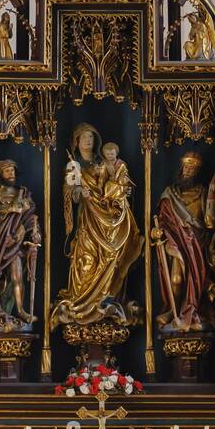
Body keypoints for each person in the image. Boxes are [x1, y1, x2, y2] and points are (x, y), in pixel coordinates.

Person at [50, 124, 142, 329]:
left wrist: (122, 192)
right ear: (77, 142)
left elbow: (118, 184)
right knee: (86, 260)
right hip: (87, 220)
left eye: (91, 137)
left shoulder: (105, 162)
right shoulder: (74, 165)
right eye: (84, 137)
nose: (88, 140)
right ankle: (81, 301)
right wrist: (77, 193)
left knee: (111, 255)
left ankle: (106, 298)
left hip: (106, 218)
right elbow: (68, 193)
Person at [154, 152, 215, 331]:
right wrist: (156, 230)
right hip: (175, 240)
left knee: (194, 280)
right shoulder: (170, 194)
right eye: (187, 167)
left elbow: (209, 222)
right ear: (181, 168)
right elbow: (161, 219)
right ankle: (171, 310)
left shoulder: (203, 193)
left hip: (196, 244)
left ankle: (191, 310)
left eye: (193, 168)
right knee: (175, 279)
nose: (189, 171)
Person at [0, 159, 40, 326]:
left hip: (14, 242)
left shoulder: (23, 194)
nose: (11, 173)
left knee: (17, 276)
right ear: (0, 174)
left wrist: (28, 232)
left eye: (13, 170)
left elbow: (31, 218)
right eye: (7, 171)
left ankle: (20, 311)